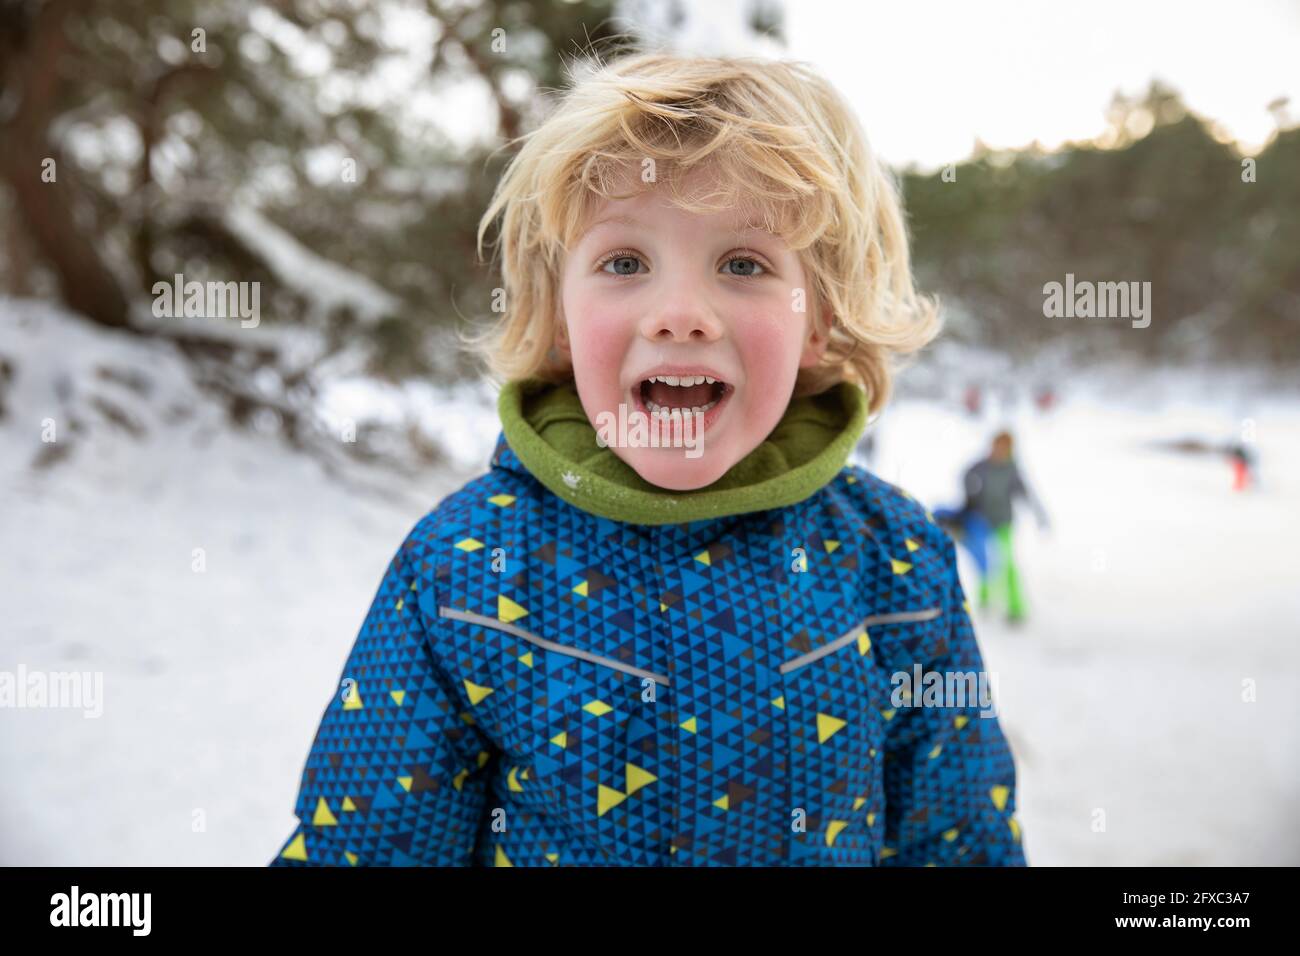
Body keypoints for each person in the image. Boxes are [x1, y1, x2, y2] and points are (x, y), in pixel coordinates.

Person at [269, 53, 1026, 867]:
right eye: (624, 263)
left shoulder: (895, 562)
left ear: (820, 320)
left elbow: (960, 839)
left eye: (744, 264)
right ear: (559, 313)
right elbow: (366, 847)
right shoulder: (462, 573)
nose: (679, 315)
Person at [949, 430, 1049, 625]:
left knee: (1008, 564)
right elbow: (965, 477)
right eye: (997, 446)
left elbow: (1027, 494)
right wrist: (969, 498)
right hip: (981, 521)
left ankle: (1016, 606)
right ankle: (985, 597)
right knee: (983, 561)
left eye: (1005, 448)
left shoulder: (1012, 470)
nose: (1000, 451)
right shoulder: (980, 467)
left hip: (1004, 523)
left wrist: (1040, 516)